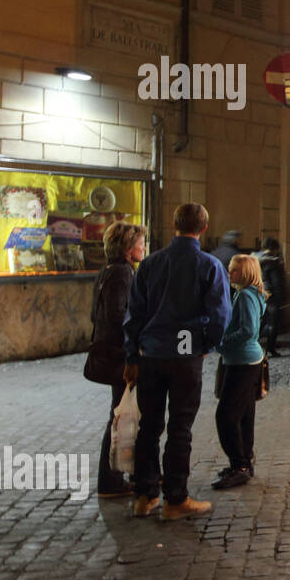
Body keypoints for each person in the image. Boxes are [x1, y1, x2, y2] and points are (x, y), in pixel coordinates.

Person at [123, 203, 231, 520]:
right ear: (203, 228)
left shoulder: (151, 264)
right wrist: (207, 344)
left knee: (149, 427)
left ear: (174, 225)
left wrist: (132, 354)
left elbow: (134, 314)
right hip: (185, 354)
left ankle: (144, 496)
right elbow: (220, 315)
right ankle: (175, 498)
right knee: (180, 428)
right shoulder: (208, 265)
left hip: (153, 353)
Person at [85, 221, 148, 498]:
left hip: (112, 352)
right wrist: (133, 351)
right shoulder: (123, 273)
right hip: (120, 356)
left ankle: (120, 475)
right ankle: (111, 480)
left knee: (121, 414)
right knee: (121, 416)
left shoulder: (107, 271)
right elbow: (118, 317)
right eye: (140, 243)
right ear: (127, 247)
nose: (143, 247)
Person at [212, 255, 268, 489]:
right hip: (246, 359)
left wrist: (222, 343)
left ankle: (239, 465)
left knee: (225, 416)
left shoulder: (245, 295)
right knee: (244, 414)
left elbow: (248, 330)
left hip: (242, 361)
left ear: (245, 273)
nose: (229, 274)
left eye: (234, 271)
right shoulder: (250, 294)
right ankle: (244, 461)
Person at [253, 238, 287, 356]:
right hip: (271, 295)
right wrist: (281, 298)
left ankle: (252, 344)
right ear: (275, 249)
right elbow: (277, 282)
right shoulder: (273, 262)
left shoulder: (255, 260)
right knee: (273, 322)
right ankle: (270, 348)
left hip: (258, 293)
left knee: (261, 321)